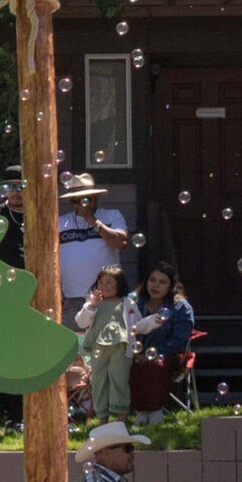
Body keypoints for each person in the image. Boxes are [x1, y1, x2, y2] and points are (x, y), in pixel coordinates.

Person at [56, 176, 131, 321]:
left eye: (85, 199)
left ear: (95, 198)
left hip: (108, 296)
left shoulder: (111, 216)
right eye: (75, 200)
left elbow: (120, 243)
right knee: (75, 342)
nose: (80, 205)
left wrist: (92, 220)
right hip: (72, 297)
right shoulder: (60, 222)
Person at [126, 264, 194, 421]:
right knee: (127, 364)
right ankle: (140, 413)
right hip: (135, 352)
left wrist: (156, 352)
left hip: (168, 353)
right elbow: (125, 329)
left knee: (154, 365)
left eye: (162, 282)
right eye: (152, 280)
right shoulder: (134, 301)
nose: (155, 285)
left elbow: (179, 339)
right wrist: (136, 352)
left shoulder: (181, 307)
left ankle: (155, 412)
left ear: (171, 286)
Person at [74, 267, 133, 422]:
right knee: (98, 381)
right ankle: (102, 421)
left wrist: (153, 322)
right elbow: (81, 322)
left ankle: (121, 420)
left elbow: (137, 324)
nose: (104, 286)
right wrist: (91, 305)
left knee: (119, 380)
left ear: (119, 284)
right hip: (98, 347)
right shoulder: (94, 304)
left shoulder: (127, 302)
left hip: (120, 348)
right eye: (100, 282)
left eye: (109, 282)